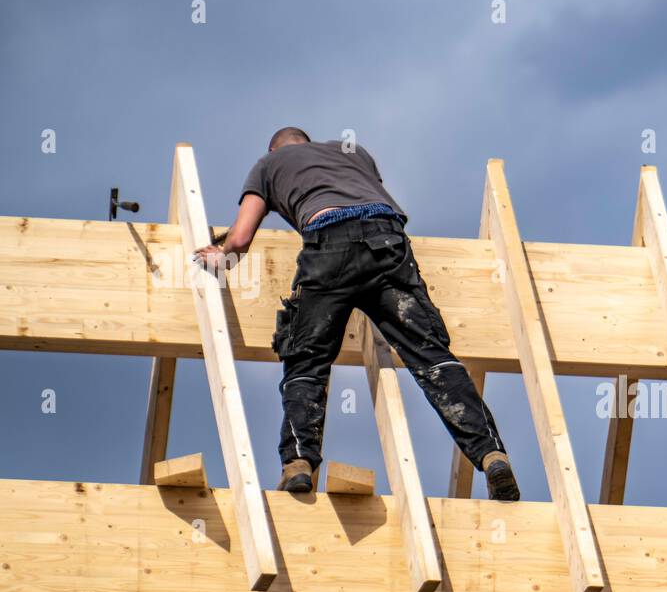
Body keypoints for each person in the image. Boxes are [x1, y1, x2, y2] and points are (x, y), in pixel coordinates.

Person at [193, 127, 519, 499]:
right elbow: (367, 192)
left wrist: (221, 256)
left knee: (306, 360)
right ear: (309, 143)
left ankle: (299, 464)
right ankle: (492, 455)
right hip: (388, 242)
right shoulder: (353, 152)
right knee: (431, 356)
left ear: (273, 148)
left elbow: (240, 238)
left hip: (327, 246)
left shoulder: (268, 164)